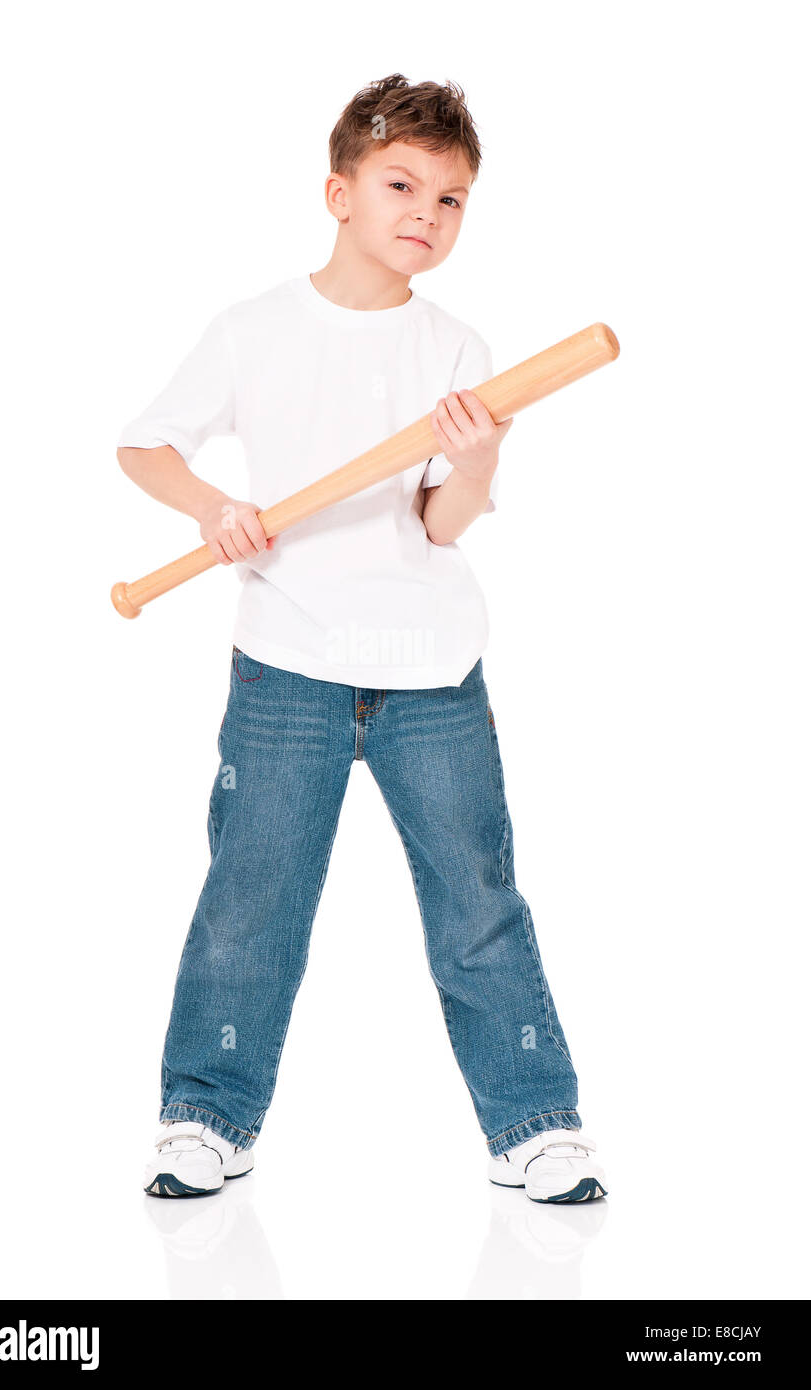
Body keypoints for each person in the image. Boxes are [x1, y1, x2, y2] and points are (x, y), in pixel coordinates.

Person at [117, 73, 607, 1204]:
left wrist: (477, 457)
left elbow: (438, 522)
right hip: (285, 665)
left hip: (430, 672)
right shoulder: (253, 328)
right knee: (253, 895)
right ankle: (205, 1115)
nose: (425, 214)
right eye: (401, 185)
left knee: (477, 897)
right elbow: (143, 447)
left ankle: (533, 1121)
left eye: (451, 199)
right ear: (337, 191)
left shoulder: (456, 344)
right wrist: (210, 507)